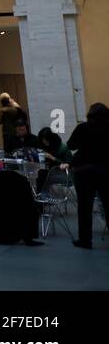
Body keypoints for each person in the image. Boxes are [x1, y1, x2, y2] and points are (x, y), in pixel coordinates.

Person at [64, 102, 109, 250]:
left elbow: (71, 145)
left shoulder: (83, 128)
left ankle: (85, 240)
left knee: (84, 207)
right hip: (105, 170)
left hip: (84, 171)